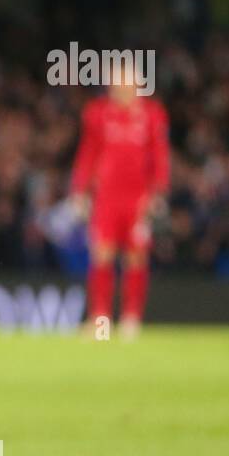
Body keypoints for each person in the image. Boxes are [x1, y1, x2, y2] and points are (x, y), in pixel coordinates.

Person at [70, 77, 170, 339]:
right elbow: (89, 152)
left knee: (135, 256)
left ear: (137, 85)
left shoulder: (152, 115)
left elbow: (159, 153)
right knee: (101, 254)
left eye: (127, 84)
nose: (121, 90)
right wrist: (79, 190)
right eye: (117, 84)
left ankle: (131, 319)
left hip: (138, 199)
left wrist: (159, 190)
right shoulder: (97, 113)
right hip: (107, 198)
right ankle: (101, 321)